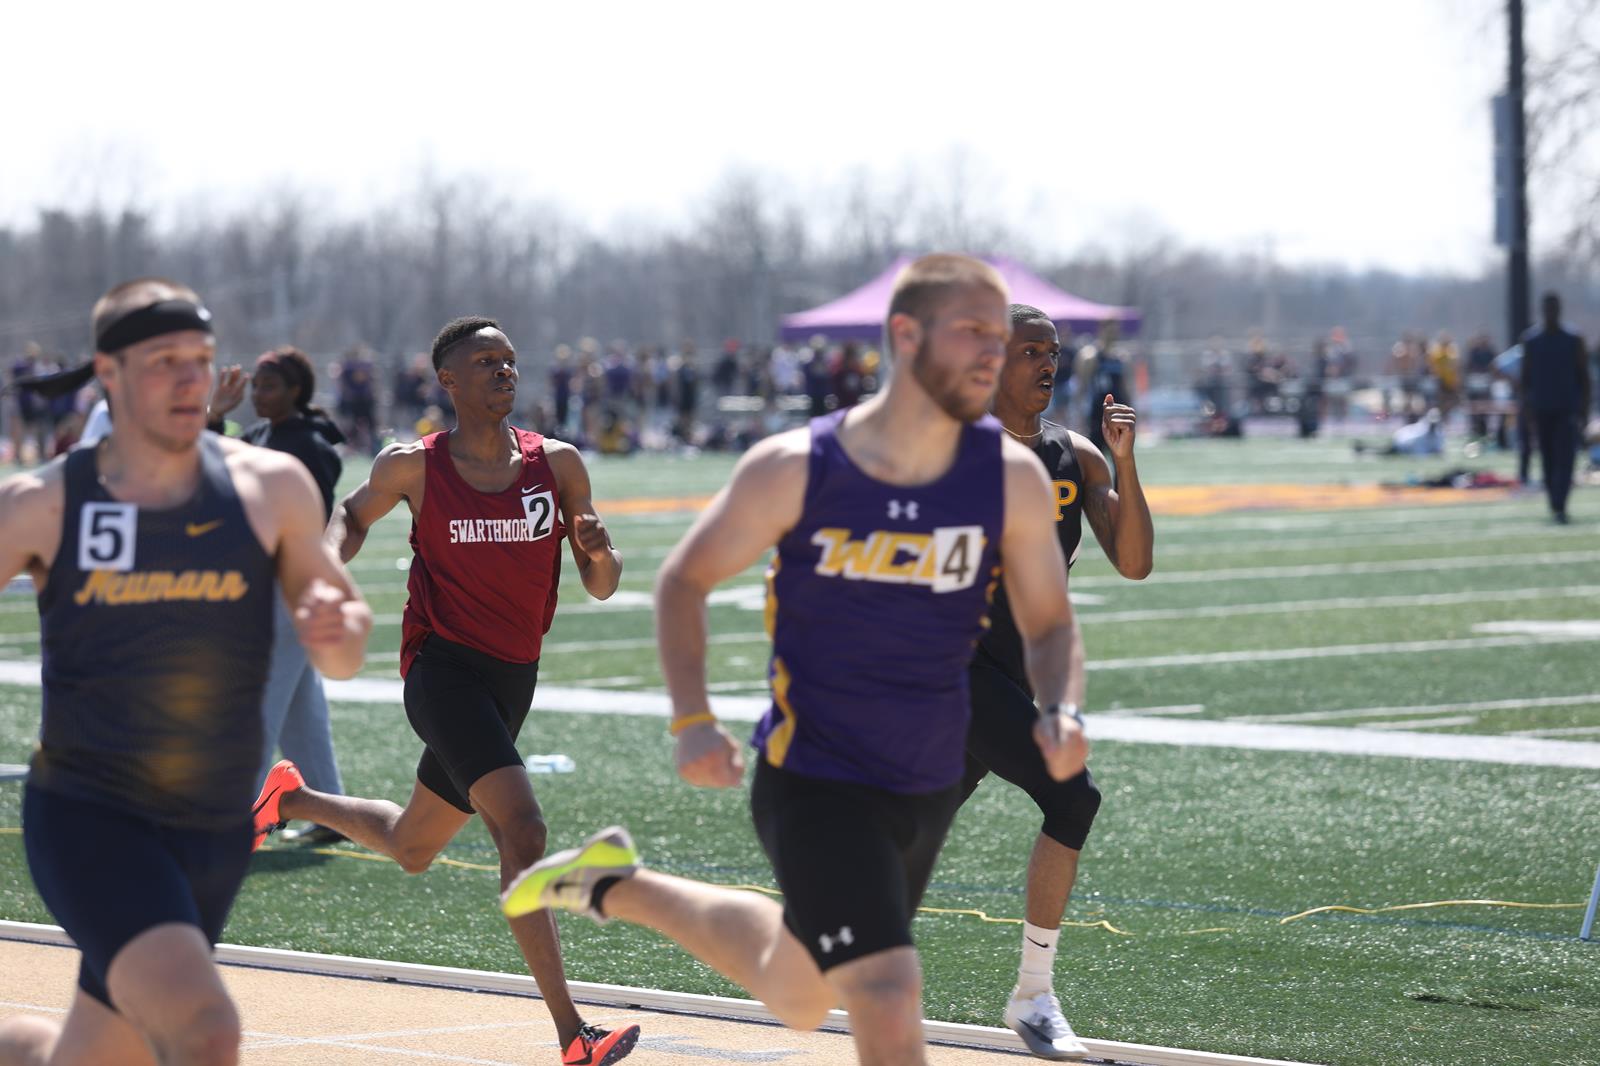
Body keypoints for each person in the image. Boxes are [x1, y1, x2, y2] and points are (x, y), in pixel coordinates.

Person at [502, 254, 1088, 1066]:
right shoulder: (800, 466)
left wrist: (1060, 705)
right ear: (906, 335)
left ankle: (617, 886)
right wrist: (692, 720)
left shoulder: (1010, 478)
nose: (994, 351)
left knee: (799, 991)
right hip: (817, 773)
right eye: (974, 332)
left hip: (923, 780)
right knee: (886, 993)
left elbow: (1052, 623)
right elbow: (685, 580)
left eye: (1001, 334)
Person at [0, 277, 372, 1066]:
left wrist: (337, 627)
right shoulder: (43, 504)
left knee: (98, 1054)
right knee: (206, 1029)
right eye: (163, 360)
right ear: (109, 372)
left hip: (213, 826)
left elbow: (341, 650)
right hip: (91, 814)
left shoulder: (270, 488)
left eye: (200, 359)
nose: (189, 379)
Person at [255, 315, 638, 1066]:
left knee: (412, 845)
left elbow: (601, 584)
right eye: (485, 362)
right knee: (521, 831)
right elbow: (350, 517)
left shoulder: (556, 466)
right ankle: (573, 1035)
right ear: (449, 381)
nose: (504, 372)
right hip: (442, 672)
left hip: (511, 682)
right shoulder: (414, 466)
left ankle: (288, 798)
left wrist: (600, 553)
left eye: (510, 361)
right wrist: (327, 569)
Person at [958, 305, 1152, 1060]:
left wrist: (1126, 461)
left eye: (1053, 351)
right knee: (1073, 794)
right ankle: (1034, 996)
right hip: (947, 669)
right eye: (1028, 349)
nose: (1047, 363)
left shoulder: (1076, 455)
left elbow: (1133, 562)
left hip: (1009, 675)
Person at [211, 347, 351, 843]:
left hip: (288, 586)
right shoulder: (262, 435)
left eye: (269, 386)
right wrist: (214, 419)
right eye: (256, 386)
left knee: (257, 705)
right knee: (299, 712)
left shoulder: (309, 444)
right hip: (261, 586)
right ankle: (332, 813)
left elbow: (300, 516)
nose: (258, 395)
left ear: (296, 391)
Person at [1521, 292, 1592, 523]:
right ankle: (1554, 499)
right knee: (1548, 458)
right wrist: (1527, 408)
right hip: (1542, 408)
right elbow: (1526, 379)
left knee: (1566, 457)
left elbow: (1584, 377)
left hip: (1566, 408)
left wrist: (1584, 409)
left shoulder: (1573, 339)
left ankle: (1561, 503)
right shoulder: (1531, 340)